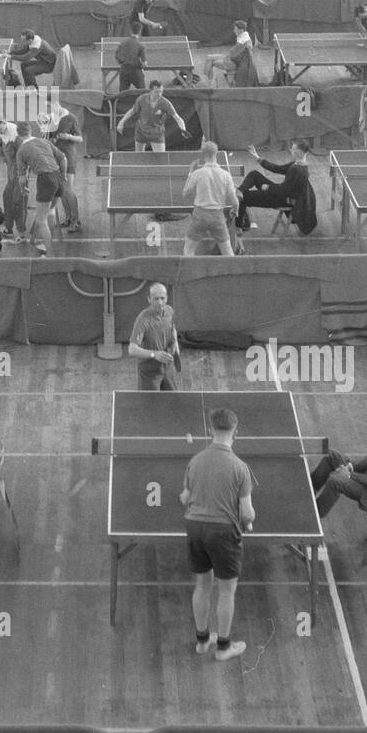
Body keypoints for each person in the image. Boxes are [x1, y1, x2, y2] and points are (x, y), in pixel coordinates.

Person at [180, 407, 253, 663]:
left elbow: (184, 498)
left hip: (194, 527)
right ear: (237, 432)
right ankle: (223, 647)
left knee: (201, 585)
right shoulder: (240, 468)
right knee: (226, 592)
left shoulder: (195, 461)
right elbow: (247, 513)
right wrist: (248, 521)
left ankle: (202, 641)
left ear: (210, 429)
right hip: (223, 532)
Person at [236, 139, 315, 234]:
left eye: (293, 148)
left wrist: (268, 187)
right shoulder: (296, 164)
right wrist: (257, 157)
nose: (290, 150)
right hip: (280, 193)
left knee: (244, 197)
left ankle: (239, 227)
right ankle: (239, 191)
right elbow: (277, 168)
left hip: (282, 199)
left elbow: (284, 191)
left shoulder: (297, 170)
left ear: (298, 152)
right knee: (254, 175)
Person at [181, 142, 239, 256]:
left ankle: (190, 273)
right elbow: (235, 202)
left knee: (188, 251)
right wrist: (234, 210)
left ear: (204, 155)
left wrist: (190, 173)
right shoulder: (226, 175)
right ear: (216, 154)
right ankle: (233, 272)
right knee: (228, 253)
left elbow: (185, 193)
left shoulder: (197, 173)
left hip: (200, 216)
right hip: (217, 217)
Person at [15, 125, 64, 255]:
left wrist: (23, 189)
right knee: (49, 210)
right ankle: (34, 240)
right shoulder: (45, 141)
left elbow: (21, 178)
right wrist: (63, 176)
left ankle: (50, 255)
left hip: (46, 179)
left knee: (42, 219)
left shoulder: (21, 151)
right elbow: (63, 158)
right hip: (58, 176)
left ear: (18, 135)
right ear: (31, 131)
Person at [128, 282, 180, 390]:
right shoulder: (142, 320)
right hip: (149, 373)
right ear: (149, 299)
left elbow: (173, 328)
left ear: (167, 298)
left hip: (167, 368)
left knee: (173, 401)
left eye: (163, 298)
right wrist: (154, 354)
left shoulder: (170, 311)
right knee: (150, 404)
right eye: (156, 299)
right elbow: (132, 349)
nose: (160, 302)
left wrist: (175, 343)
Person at [44, 103, 84, 232]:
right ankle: (68, 219)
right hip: (56, 158)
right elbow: (48, 138)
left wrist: (69, 137)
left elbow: (80, 138)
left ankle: (76, 221)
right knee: (62, 191)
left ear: (56, 104)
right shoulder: (50, 118)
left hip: (69, 158)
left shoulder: (71, 118)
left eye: (49, 107)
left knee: (68, 190)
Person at [117, 81, 187, 153]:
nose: (159, 94)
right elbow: (132, 111)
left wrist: (183, 129)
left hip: (156, 134)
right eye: (156, 92)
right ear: (150, 91)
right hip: (141, 131)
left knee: (161, 159)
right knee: (138, 158)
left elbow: (177, 118)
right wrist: (121, 122)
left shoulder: (165, 103)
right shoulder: (141, 99)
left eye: (161, 92)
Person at [204, 21, 253, 87]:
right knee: (208, 57)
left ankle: (207, 84)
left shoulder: (243, 40)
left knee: (210, 61)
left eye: (235, 29)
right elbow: (233, 53)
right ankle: (209, 82)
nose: (234, 31)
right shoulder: (243, 36)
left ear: (241, 30)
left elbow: (235, 56)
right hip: (230, 58)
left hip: (232, 63)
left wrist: (227, 57)